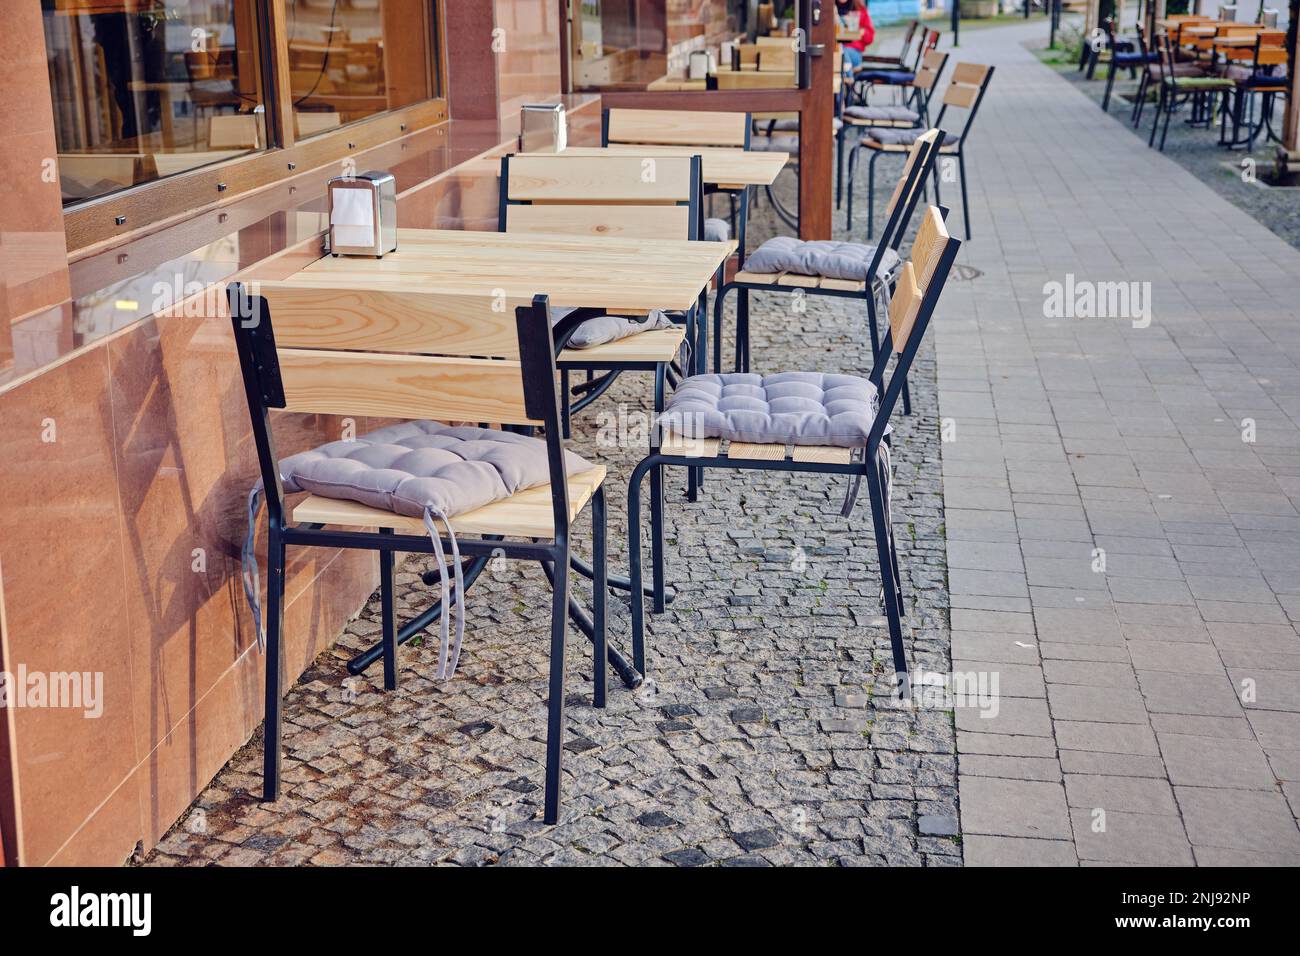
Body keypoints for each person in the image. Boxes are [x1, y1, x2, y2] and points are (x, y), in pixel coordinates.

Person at [835, 0, 875, 72]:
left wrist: (862, 32)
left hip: (853, 51)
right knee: (837, 52)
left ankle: (849, 78)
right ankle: (848, 78)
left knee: (842, 51)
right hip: (834, 50)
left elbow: (870, 38)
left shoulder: (859, 8)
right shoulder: (828, 8)